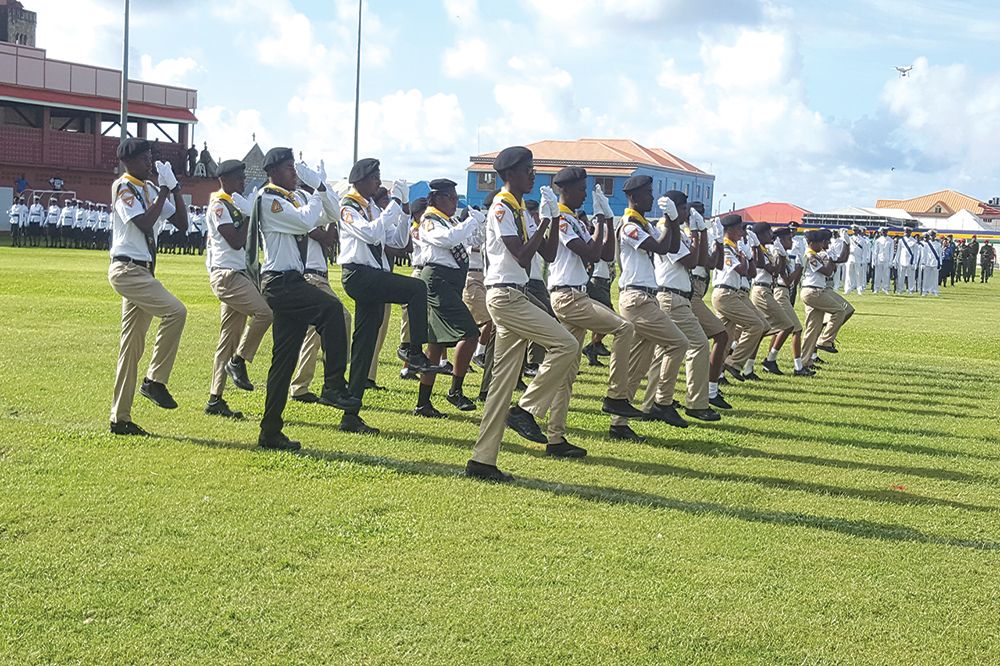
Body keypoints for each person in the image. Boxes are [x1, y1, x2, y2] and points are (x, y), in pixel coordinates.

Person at [468, 146, 580, 482]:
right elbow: (519, 255)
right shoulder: (503, 206)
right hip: (506, 295)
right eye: (529, 169)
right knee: (566, 345)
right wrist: (544, 220)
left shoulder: (520, 210)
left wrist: (554, 220)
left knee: (501, 385)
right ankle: (527, 410)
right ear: (512, 173)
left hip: (515, 294)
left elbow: (547, 253)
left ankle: (482, 460)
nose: (533, 174)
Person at [254, 148, 357, 450]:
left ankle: (270, 431)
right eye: (288, 168)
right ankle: (334, 385)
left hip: (292, 281)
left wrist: (322, 188)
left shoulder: (293, 198)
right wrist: (315, 191)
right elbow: (304, 222)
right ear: (272, 171)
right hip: (279, 282)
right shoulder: (268, 199)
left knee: (283, 361)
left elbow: (333, 214)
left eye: (294, 168)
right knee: (332, 310)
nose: (294, 174)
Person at [338, 158, 440, 434]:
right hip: (359, 274)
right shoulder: (349, 206)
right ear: (360, 179)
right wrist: (393, 205)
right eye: (375, 178)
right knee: (416, 288)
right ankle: (412, 349)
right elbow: (370, 235)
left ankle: (350, 414)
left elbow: (396, 242)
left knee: (364, 347)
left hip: (372, 276)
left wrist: (404, 211)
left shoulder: (371, 207)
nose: (378, 184)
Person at [547, 168, 647, 443]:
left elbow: (603, 253)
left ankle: (555, 438)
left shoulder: (576, 221)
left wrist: (607, 220)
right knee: (625, 328)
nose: (584, 195)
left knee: (567, 373)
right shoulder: (563, 220)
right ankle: (616, 396)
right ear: (565, 190)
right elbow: (589, 252)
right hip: (568, 296)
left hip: (576, 294)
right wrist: (602, 220)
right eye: (581, 190)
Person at [107, 138, 189, 435]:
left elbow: (182, 223)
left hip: (144, 272)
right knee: (176, 312)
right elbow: (143, 222)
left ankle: (120, 418)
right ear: (129, 161)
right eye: (145, 157)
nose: (150, 162)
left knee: (131, 348)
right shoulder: (124, 186)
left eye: (151, 157)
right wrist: (165, 190)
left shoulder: (151, 189)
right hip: (128, 269)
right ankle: (154, 381)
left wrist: (175, 189)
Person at [612, 178, 691, 438]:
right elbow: (658, 246)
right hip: (636, 298)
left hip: (645, 297)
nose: (651, 197)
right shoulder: (629, 225)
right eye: (647, 194)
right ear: (634, 196)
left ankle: (619, 423)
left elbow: (672, 247)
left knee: (637, 363)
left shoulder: (643, 224)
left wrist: (673, 222)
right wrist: (670, 221)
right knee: (678, 343)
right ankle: (662, 403)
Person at [203, 160, 274, 419]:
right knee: (265, 314)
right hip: (228, 275)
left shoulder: (233, 204)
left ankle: (215, 398)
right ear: (225, 180)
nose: (243, 182)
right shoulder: (219, 205)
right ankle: (239, 361)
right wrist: (250, 216)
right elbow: (234, 241)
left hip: (238, 274)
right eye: (238, 178)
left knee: (228, 338)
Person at [643, 190, 721, 421]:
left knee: (663, 352)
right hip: (672, 297)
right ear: (675, 208)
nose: (688, 212)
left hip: (677, 297)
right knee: (698, 344)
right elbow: (690, 260)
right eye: (684, 208)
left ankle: (652, 404)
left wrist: (701, 233)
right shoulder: (665, 229)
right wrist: (698, 233)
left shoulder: (677, 231)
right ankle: (695, 403)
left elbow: (704, 261)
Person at [413, 179, 485, 416]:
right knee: (470, 333)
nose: (455, 202)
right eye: (450, 198)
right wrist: (469, 223)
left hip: (452, 280)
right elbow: (447, 240)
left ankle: (423, 403)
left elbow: (472, 242)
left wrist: (478, 224)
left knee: (436, 343)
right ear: (437, 198)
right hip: (438, 279)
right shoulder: (430, 220)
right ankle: (455, 390)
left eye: (456, 198)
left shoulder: (450, 221)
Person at [289, 174, 355, 404]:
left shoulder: (314, 198)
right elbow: (317, 232)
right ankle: (336, 378)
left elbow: (331, 228)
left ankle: (300, 385)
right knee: (341, 317)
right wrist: (326, 229)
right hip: (310, 271)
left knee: (312, 334)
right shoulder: (298, 198)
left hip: (318, 272)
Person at [712, 215, 767, 382]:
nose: (742, 233)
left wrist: (748, 256)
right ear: (729, 230)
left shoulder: (735, 248)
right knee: (756, 325)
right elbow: (742, 270)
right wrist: (745, 257)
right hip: (725, 294)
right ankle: (733, 362)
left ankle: (716, 374)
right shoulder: (727, 248)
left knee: (725, 339)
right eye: (739, 229)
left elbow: (752, 272)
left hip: (733, 293)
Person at [689, 205, 732, 408]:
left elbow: (717, 263)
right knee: (720, 336)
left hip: (698, 289)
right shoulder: (688, 235)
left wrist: (718, 242)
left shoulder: (700, 236)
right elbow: (700, 260)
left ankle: (709, 388)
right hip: (691, 291)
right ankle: (710, 390)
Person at [800, 230, 853, 369]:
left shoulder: (817, 255)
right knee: (840, 311)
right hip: (813, 291)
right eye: (821, 243)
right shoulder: (811, 255)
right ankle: (824, 341)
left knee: (812, 329)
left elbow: (840, 260)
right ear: (812, 243)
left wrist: (846, 244)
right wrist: (829, 257)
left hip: (815, 290)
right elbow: (828, 271)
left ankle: (805, 362)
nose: (824, 245)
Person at [748, 222, 796, 375]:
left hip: (766, 289)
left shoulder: (766, 250)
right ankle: (769, 360)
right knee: (787, 325)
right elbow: (774, 270)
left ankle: (749, 367)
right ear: (761, 235)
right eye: (768, 232)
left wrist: (781, 256)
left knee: (761, 330)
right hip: (761, 289)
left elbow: (777, 271)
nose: (771, 235)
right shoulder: (760, 250)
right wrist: (781, 255)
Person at [767, 226, 813, 376]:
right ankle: (796, 366)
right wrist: (799, 269)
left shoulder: (784, 254)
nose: (791, 241)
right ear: (780, 240)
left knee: (779, 329)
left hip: (785, 292)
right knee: (795, 328)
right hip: (780, 292)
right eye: (788, 238)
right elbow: (786, 280)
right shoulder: (777, 253)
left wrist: (798, 270)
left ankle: (770, 360)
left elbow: (792, 282)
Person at [894, 228, 918, 294]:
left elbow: (916, 253)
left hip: (911, 261)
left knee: (911, 277)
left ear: (910, 232)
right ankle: (900, 290)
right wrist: (896, 260)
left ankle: (911, 290)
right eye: (905, 232)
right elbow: (898, 251)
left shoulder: (914, 241)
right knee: (901, 276)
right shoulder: (901, 241)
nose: (906, 233)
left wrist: (915, 262)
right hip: (902, 260)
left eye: (908, 232)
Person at [871, 228, 893, 294]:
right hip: (879, 259)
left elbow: (891, 252)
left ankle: (885, 288)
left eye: (885, 231)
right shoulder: (878, 240)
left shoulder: (890, 240)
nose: (884, 232)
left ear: (887, 232)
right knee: (877, 275)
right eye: (882, 231)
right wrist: (873, 260)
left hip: (887, 259)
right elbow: (875, 251)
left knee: (886, 275)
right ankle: (876, 288)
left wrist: (890, 261)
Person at [920, 231, 941, 296]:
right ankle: (925, 291)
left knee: (935, 278)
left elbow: (940, 254)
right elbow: (924, 254)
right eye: (931, 236)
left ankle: (934, 291)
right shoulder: (926, 244)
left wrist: (940, 263)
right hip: (927, 262)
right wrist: (923, 263)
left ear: (935, 236)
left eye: (933, 236)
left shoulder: (938, 244)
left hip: (935, 262)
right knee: (926, 278)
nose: (932, 237)